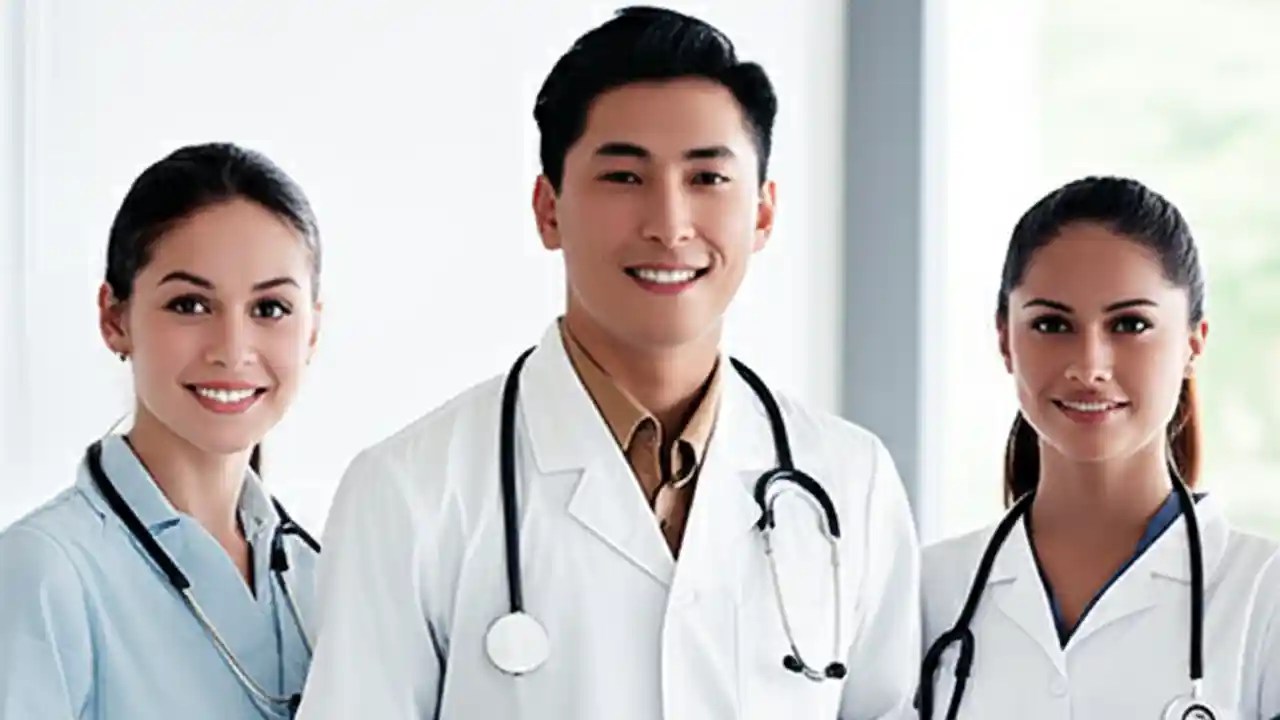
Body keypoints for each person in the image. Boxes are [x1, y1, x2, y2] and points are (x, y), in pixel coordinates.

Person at [297, 7, 919, 719]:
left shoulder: (849, 481)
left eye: (708, 178)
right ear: (548, 210)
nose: (668, 222)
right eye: (624, 177)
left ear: (763, 214)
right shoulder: (411, 492)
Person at [917, 176, 1280, 719]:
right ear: (1004, 341)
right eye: (1051, 324)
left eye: (1130, 324)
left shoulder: (1263, 596)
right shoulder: (927, 593)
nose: (1089, 367)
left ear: (1192, 342)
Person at [0, 142, 325, 719]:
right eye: (190, 305)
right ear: (114, 318)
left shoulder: (320, 577)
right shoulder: (43, 575)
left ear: (313, 331)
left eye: (270, 309)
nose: (232, 350)